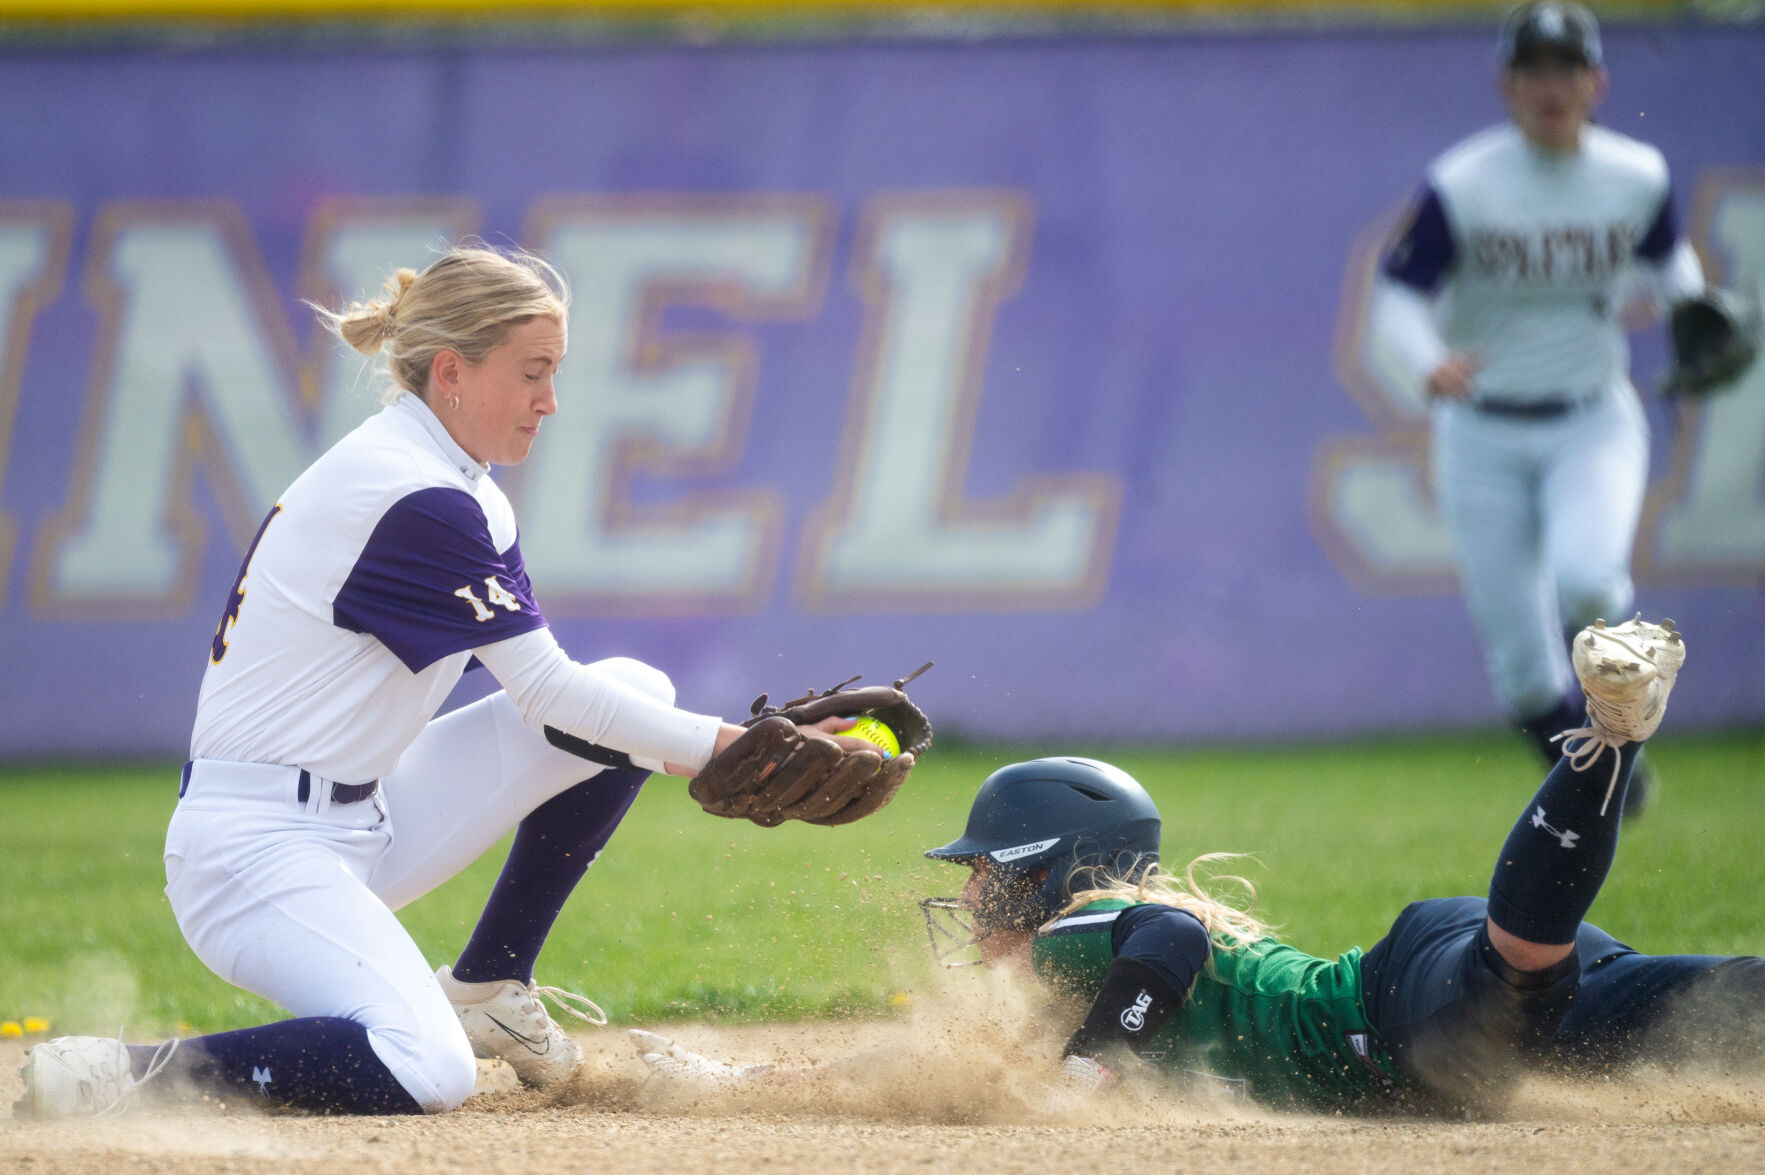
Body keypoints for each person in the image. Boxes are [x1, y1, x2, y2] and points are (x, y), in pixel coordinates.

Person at [14, 243, 868, 1120]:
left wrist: (705, 744)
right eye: (533, 372)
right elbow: (550, 696)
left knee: (634, 688)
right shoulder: (409, 491)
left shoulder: (462, 486)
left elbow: (576, 702)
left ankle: (490, 985)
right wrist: (732, 746)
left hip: (363, 815)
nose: (551, 399)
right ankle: (125, 1074)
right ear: (452, 372)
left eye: (555, 371)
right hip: (252, 855)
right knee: (429, 1068)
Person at [638, 617, 1765, 1115]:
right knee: (1690, 1008)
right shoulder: (1074, 958)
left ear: (1050, 868)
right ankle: (1603, 752)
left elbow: (1168, 943)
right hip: (1419, 971)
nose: (974, 891)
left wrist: (1086, 1069)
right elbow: (896, 1068)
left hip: (1397, 1010)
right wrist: (737, 1086)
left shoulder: (1094, 928)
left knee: (1517, 980)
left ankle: (1604, 738)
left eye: (989, 868)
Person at [1367, 0, 1707, 817]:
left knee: (1591, 579)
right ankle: (1607, 788)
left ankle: (1617, 748)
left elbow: (1677, 285)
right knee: (1523, 671)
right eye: (1533, 70)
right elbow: (1396, 299)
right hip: (1480, 430)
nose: (1549, 86)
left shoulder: (1635, 176)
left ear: (1596, 80)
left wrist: (1703, 325)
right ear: (1505, 83)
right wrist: (1424, 360)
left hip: (1590, 415)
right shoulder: (1466, 181)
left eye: (1565, 68)